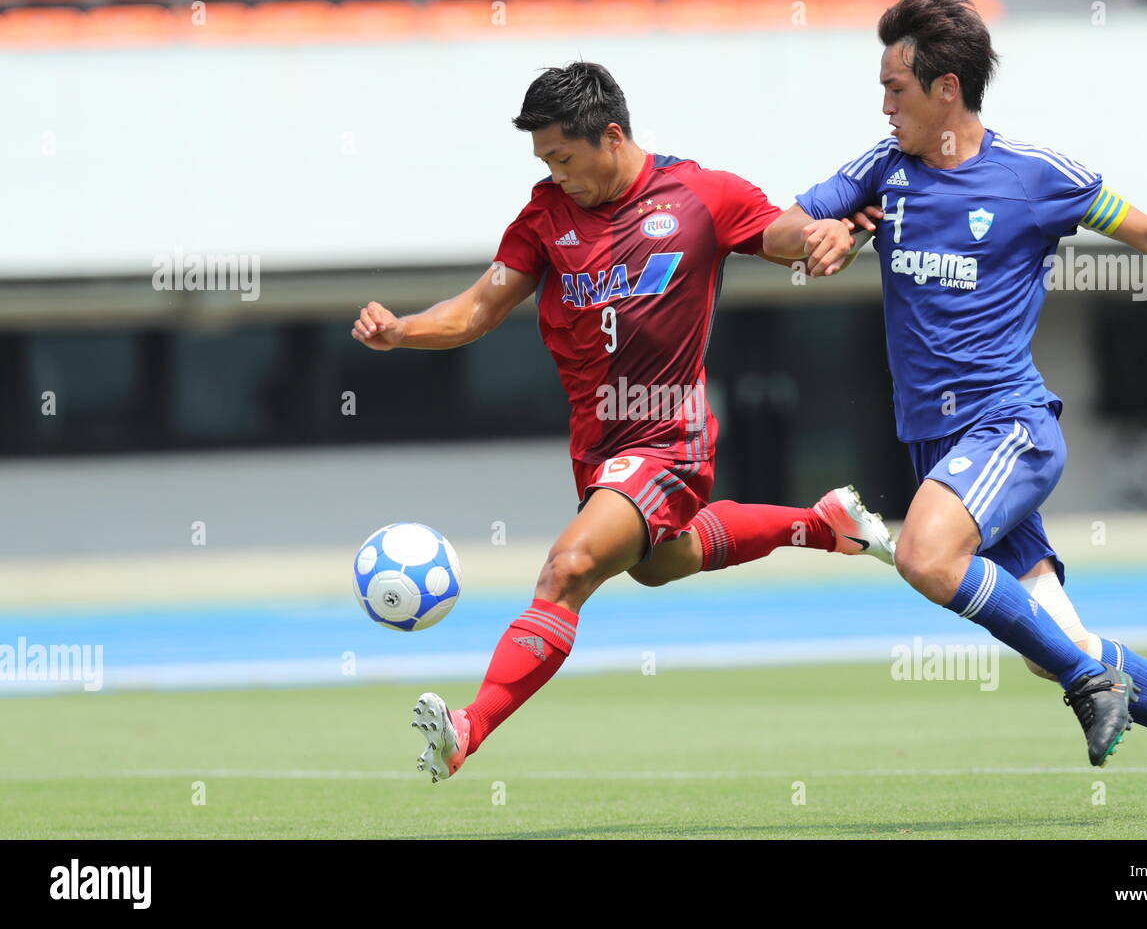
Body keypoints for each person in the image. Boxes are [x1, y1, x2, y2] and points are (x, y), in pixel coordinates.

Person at [763, 0, 1147, 812]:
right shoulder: (883, 172)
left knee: (923, 558)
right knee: (1057, 644)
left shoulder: (1035, 178)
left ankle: (1091, 684)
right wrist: (823, 233)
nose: (883, 104)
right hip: (938, 451)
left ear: (947, 89)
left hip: (1009, 427)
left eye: (895, 88)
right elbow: (779, 231)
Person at [353, 62, 895, 784]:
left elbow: (782, 231)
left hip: (669, 437)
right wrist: (403, 331)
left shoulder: (701, 195)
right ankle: (823, 524)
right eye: (544, 160)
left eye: (564, 158)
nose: (555, 174)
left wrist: (823, 236)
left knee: (568, 568)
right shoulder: (545, 216)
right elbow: (479, 309)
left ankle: (468, 727)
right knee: (657, 565)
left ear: (610, 136)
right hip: (599, 447)